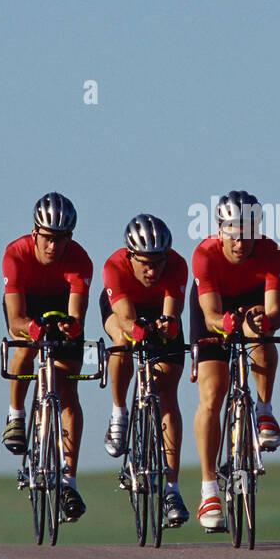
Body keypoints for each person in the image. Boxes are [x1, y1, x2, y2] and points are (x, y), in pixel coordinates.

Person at [189, 190, 280, 532]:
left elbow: (276, 311)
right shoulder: (204, 255)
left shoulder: (272, 253)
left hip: (252, 304)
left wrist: (261, 321)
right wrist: (230, 325)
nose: (240, 241)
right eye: (232, 231)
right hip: (214, 312)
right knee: (213, 394)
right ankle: (209, 490)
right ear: (220, 229)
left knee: (263, 331)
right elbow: (212, 315)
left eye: (247, 232)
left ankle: (263, 410)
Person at [0, 192, 93, 523]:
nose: (53, 247)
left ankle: (68, 481)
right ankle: (16, 415)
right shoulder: (16, 254)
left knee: (68, 391)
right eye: (48, 238)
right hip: (27, 309)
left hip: (62, 309)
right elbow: (15, 320)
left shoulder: (80, 260)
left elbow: (76, 317)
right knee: (24, 345)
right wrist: (31, 329)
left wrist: (69, 328)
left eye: (62, 239)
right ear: (35, 232)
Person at [100, 214, 190, 527]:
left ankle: (171, 489)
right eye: (145, 263)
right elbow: (125, 320)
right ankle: (120, 413)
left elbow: (171, 316)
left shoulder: (177, 265)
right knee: (121, 342)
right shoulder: (114, 267)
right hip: (126, 312)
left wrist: (165, 328)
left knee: (167, 393)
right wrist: (138, 332)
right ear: (131, 257)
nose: (152, 271)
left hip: (158, 312)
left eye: (158, 263)